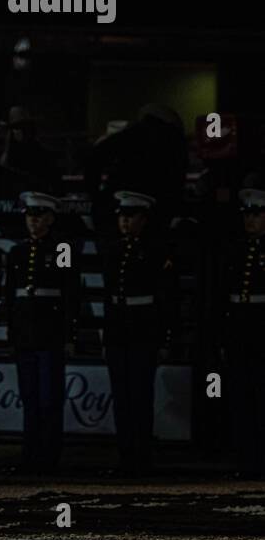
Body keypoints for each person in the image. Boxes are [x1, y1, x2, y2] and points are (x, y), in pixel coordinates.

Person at [100, 190, 173, 476]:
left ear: (143, 219)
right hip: (120, 328)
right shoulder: (114, 249)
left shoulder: (155, 251)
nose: (125, 222)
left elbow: (165, 297)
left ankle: (141, 456)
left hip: (143, 328)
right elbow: (109, 295)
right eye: (122, 216)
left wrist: (164, 336)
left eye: (130, 216)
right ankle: (126, 455)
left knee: (140, 396)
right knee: (122, 396)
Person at [4, 191, 77, 473]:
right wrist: (12, 333)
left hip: (50, 333)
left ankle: (49, 456)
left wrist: (70, 334)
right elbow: (12, 297)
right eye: (29, 218)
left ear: (49, 218)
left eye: (38, 217)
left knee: (49, 399)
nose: (32, 223)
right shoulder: (18, 251)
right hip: (26, 333)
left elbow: (70, 293)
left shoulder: (60, 249)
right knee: (30, 398)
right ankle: (30, 454)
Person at [220, 187, 265, 478]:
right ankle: (246, 459)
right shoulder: (235, 248)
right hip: (240, 326)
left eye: (257, 215)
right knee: (241, 395)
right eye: (248, 215)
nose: (251, 221)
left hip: (261, 327)